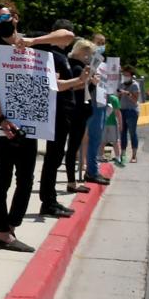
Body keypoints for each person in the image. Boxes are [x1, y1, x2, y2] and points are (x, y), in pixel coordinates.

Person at [0, 0, 71, 252]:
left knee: (27, 178)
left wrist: (34, 42)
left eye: (4, 18)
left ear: (15, 18)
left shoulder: (33, 43)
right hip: (4, 123)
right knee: (2, 177)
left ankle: (11, 228)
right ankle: (2, 232)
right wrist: (0, 119)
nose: (0, 23)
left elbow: (68, 36)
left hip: (31, 123)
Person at [33, 21, 89, 218]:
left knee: (55, 158)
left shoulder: (61, 56)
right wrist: (78, 80)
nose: (69, 38)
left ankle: (51, 199)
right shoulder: (51, 54)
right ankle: (48, 201)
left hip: (64, 112)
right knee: (53, 158)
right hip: (56, 113)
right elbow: (55, 84)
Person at [63, 38, 96, 194]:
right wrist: (87, 81)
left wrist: (91, 83)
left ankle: (72, 181)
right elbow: (77, 88)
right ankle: (71, 182)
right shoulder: (77, 68)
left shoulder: (79, 66)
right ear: (81, 51)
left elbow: (86, 92)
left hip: (80, 111)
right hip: (76, 112)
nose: (89, 56)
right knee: (73, 148)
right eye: (87, 53)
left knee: (74, 147)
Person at [83, 32, 111, 185]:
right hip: (94, 103)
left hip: (102, 102)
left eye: (103, 42)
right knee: (94, 138)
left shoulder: (102, 63)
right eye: (98, 42)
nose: (101, 45)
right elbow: (87, 80)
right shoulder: (91, 61)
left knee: (97, 138)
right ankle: (91, 171)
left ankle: (93, 169)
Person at [118, 66, 142, 165]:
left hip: (132, 111)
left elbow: (135, 100)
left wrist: (127, 93)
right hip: (122, 110)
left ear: (131, 76)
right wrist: (119, 94)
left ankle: (134, 155)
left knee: (132, 133)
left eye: (127, 75)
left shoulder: (135, 85)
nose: (125, 76)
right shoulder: (121, 84)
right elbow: (118, 98)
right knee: (123, 133)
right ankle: (123, 154)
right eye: (124, 74)